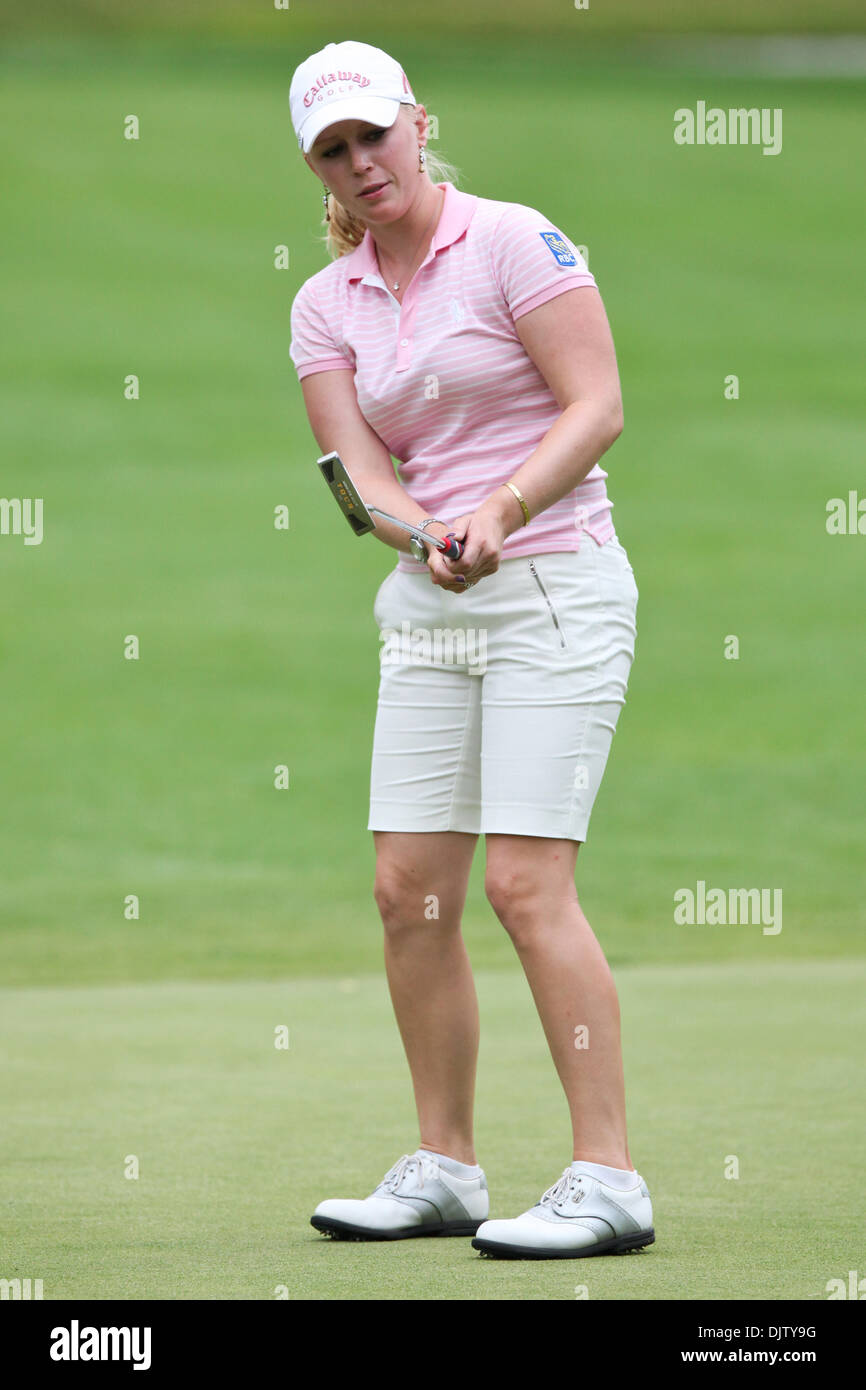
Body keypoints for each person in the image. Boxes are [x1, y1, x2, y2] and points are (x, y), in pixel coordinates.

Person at [288, 40, 654, 1259]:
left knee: (520, 883)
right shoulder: (322, 305)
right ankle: (445, 1163)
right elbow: (362, 472)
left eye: (373, 135)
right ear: (318, 170)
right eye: (333, 151)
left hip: (554, 585)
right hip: (429, 601)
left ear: (416, 123)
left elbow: (593, 404)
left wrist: (496, 510)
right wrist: (426, 532)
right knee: (410, 890)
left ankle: (607, 1177)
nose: (360, 163)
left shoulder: (511, 240)